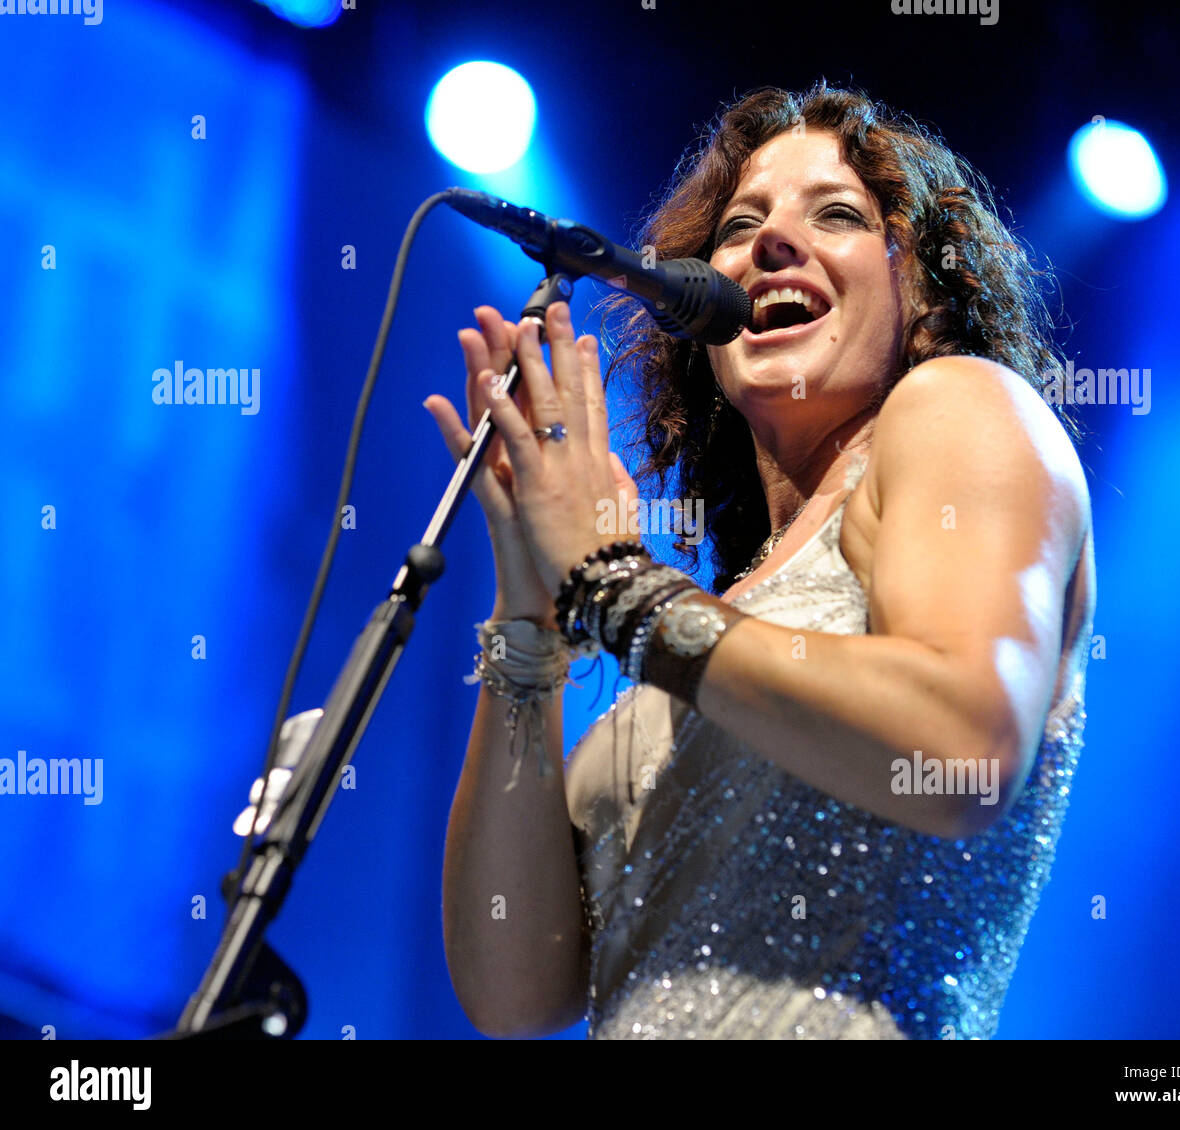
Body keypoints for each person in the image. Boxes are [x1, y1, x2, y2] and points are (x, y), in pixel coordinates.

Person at [427, 82, 1095, 1040]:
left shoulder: (961, 405)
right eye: (740, 225)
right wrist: (532, 603)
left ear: (923, 285)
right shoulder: (705, 626)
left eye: (838, 215)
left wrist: (616, 588)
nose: (771, 242)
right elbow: (514, 991)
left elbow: (960, 747)